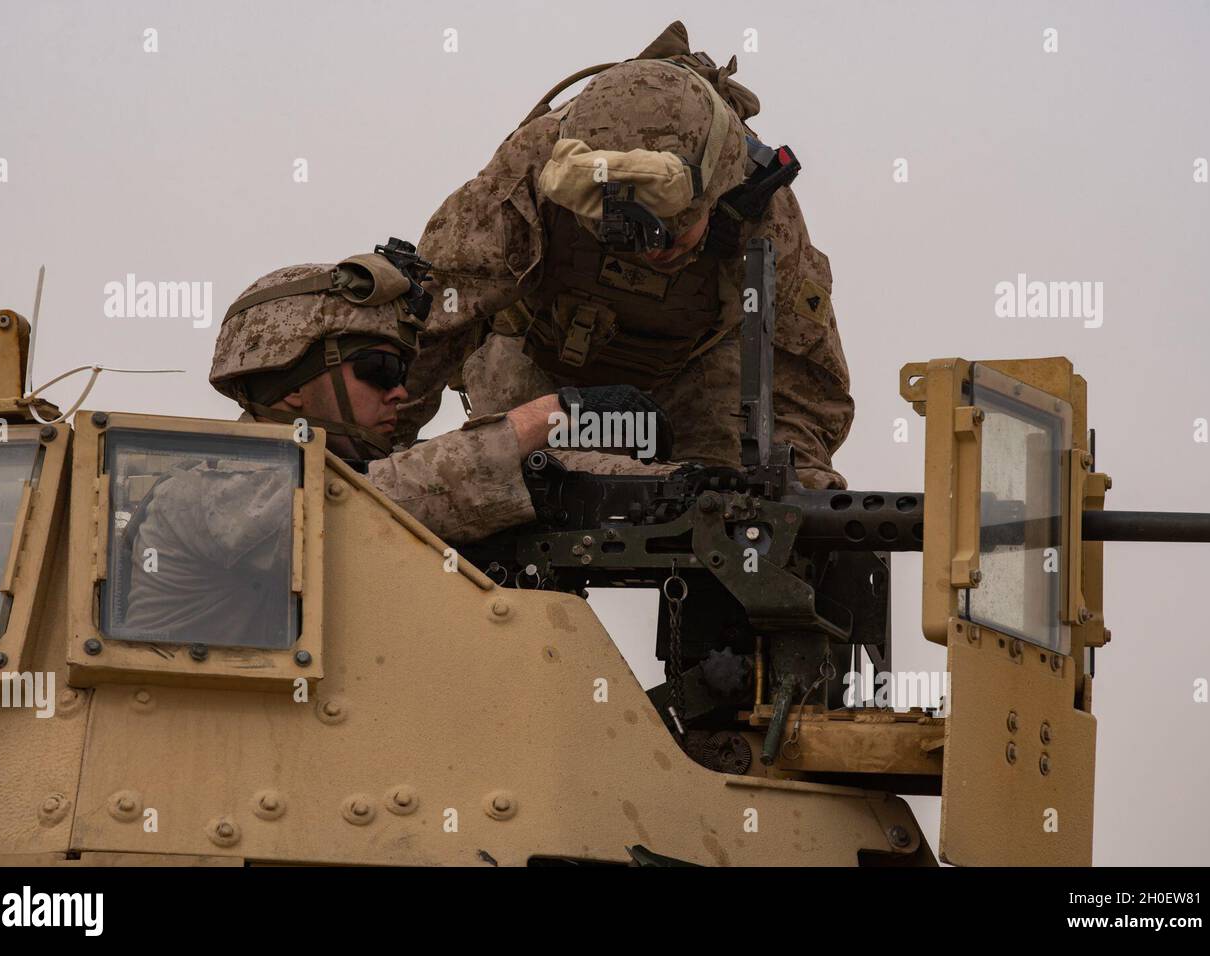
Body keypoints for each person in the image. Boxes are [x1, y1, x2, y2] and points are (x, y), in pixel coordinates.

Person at [118, 243, 673, 643]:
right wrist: (554, 413)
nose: (401, 391)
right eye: (379, 369)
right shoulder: (199, 496)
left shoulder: (362, 474)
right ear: (289, 386)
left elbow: (445, 480)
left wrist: (672, 484)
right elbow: (361, 502)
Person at [396, 21, 854, 490]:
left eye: (670, 237)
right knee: (507, 494)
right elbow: (431, 320)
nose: (648, 252)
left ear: (716, 197)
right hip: (536, 360)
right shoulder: (531, 168)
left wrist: (792, 488)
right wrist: (377, 463)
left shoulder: (761, 210)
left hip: (689, 375)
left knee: (720, 504)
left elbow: (805, 381)